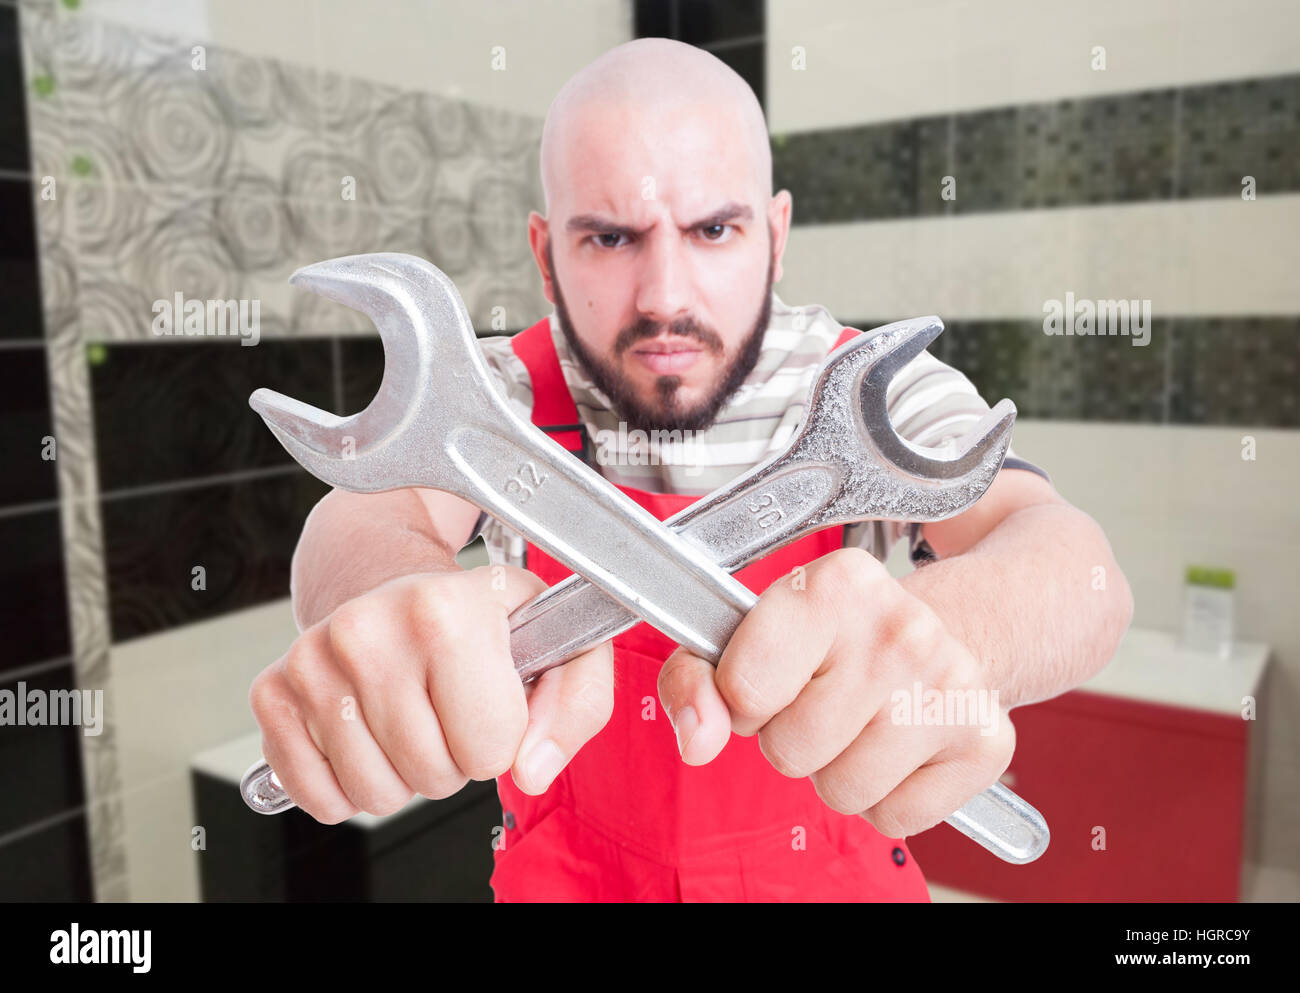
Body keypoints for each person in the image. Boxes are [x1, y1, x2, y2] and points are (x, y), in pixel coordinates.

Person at [249, 38, 1133, 901]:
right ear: (545, 253)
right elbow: (361, 519)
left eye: (714, 228)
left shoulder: (865, 395)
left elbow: (1075, 569)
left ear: (776, 235)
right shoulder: (492, 396)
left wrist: (940, 637)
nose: (665, 295)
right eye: (608, 238)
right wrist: (397, 606)